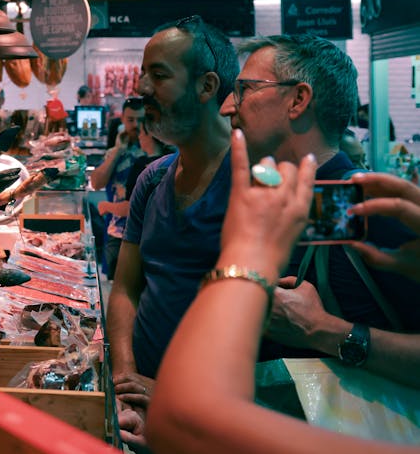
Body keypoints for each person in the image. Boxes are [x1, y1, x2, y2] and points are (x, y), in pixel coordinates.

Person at [146, 130, 416, 454]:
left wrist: (249, 255)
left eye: (244, 98)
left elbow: (184, 423)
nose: (228, 106)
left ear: (298, 104)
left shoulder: (366, 213)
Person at [219, 34, 420, 362]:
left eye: (246, 88)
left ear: (298, 100)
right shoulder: (281, 201)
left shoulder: (360, 205)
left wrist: (322, 330)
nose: (228, 106)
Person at [107, 15, 239, 446]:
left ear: (207, 86)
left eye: (159, 75)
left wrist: (177, 398)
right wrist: (125, 379)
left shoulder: (255, 183)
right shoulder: (153, 179)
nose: (141, 87)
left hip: (218, 424)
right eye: (142, 73)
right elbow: (125, 289)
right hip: (142, 409)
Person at [97, 115, 172, 278]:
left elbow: (130, 207)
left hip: (129, 237)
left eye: (142, 132)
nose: (139, 135)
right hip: (159, 242)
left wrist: (106, 206)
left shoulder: (143, 165)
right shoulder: (174, 163)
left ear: (150, 134)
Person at [90, 96, 145, 277]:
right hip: (118, 231)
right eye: (131, 120)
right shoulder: (116, 151)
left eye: (140, 120)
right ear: (122, 119)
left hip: (146, 233)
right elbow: (96, 183)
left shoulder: (154, 151)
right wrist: (117, 151)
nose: (136, 125)